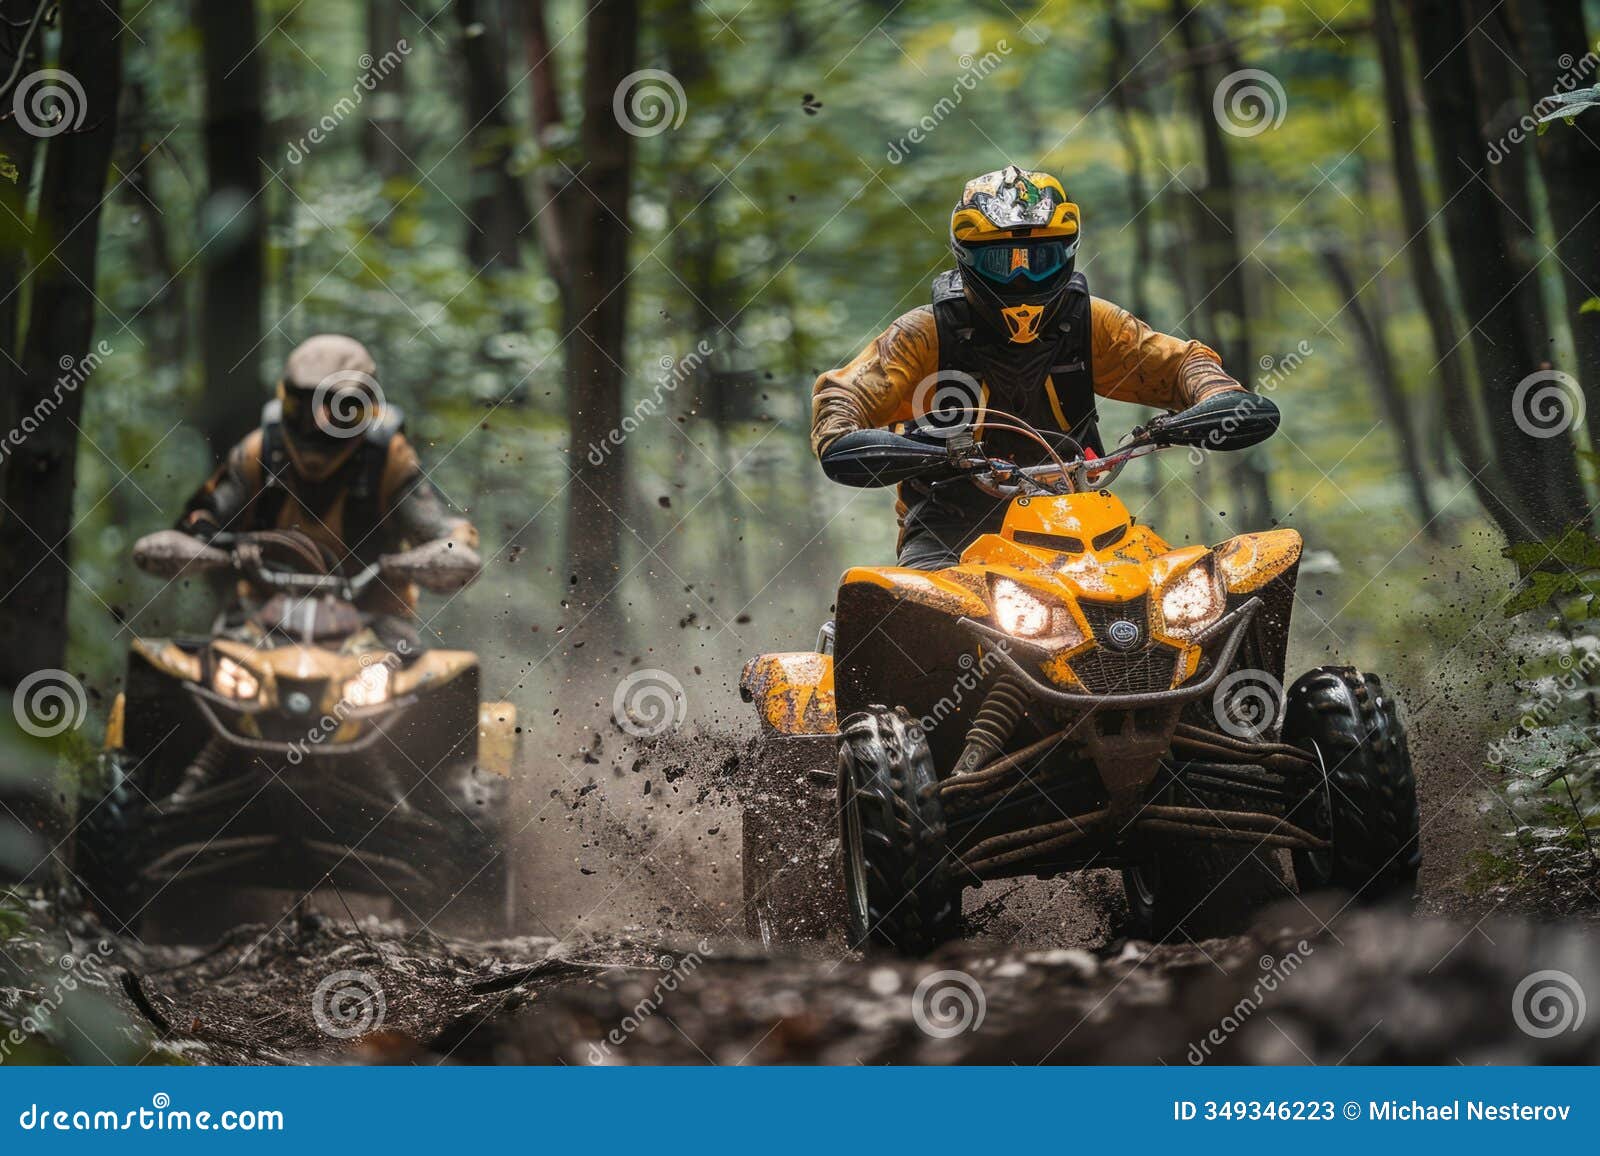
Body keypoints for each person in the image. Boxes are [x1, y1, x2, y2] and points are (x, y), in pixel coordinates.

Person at [811, 165, 1256, 570]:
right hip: (949, 536)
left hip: (1081, 527)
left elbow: (1181, 365)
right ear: (966, 259)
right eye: (1000, 263)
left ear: (1067, 255)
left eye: (1039, 260)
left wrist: (1216, 397)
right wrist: (842, 437)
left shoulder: (1093, 324)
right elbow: (844, 393)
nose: (1020, 279)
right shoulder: (923, 335)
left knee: (1191, 590)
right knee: (906, 608)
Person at [158, 334, 479, 633]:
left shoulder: (389, 459)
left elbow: (434, 530)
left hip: (373, 623)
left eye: (341, 413)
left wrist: (450, 549)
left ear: (368, 411)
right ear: (284, 402)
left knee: (439, 684)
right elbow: (200, 519)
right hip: (262, 619)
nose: (317, 428)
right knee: (182, 677)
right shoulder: (258, 452)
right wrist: (199, 544)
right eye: (303, 410)